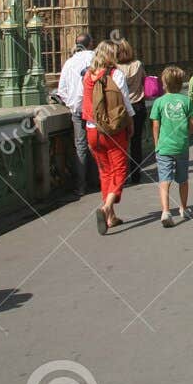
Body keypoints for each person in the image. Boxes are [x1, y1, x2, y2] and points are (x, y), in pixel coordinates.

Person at [83, 39, 134, 236]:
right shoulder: (115, 74)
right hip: (112, 130)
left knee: (105, 173)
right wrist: (130, 125)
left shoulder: (88, 76)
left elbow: (82, 103)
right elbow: (126, 104)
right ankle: (106, 208)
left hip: (91, 130)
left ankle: (111, 217)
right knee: (120, 171)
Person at [148, 65, 193, 227]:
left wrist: (157, 144)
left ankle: (166, 211)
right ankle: (183, 208)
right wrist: (186, 136)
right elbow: (191, 123)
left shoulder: (159, 102)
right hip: (182, 145)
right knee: (183, 179)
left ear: (164, 84)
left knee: (164, 179)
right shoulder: (186, 101)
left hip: (164, 146)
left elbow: (156, 125)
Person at [56, 32, 96, 193]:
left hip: (77, 110)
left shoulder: (69, 62)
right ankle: (100, 181)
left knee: (80, 146)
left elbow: (62, 90)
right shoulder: (96, 58)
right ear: (91, 44)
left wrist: (72, 104)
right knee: (98, 143)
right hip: (95, 108)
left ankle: (81, 186)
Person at [116, 37, 148, 184]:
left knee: (121, 143)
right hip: (138, 107)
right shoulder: (138, 65)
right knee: (136, 143)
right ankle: (135, 175)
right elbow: (145, 81)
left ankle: (121, 175)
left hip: (121, 108)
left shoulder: (115, 68)